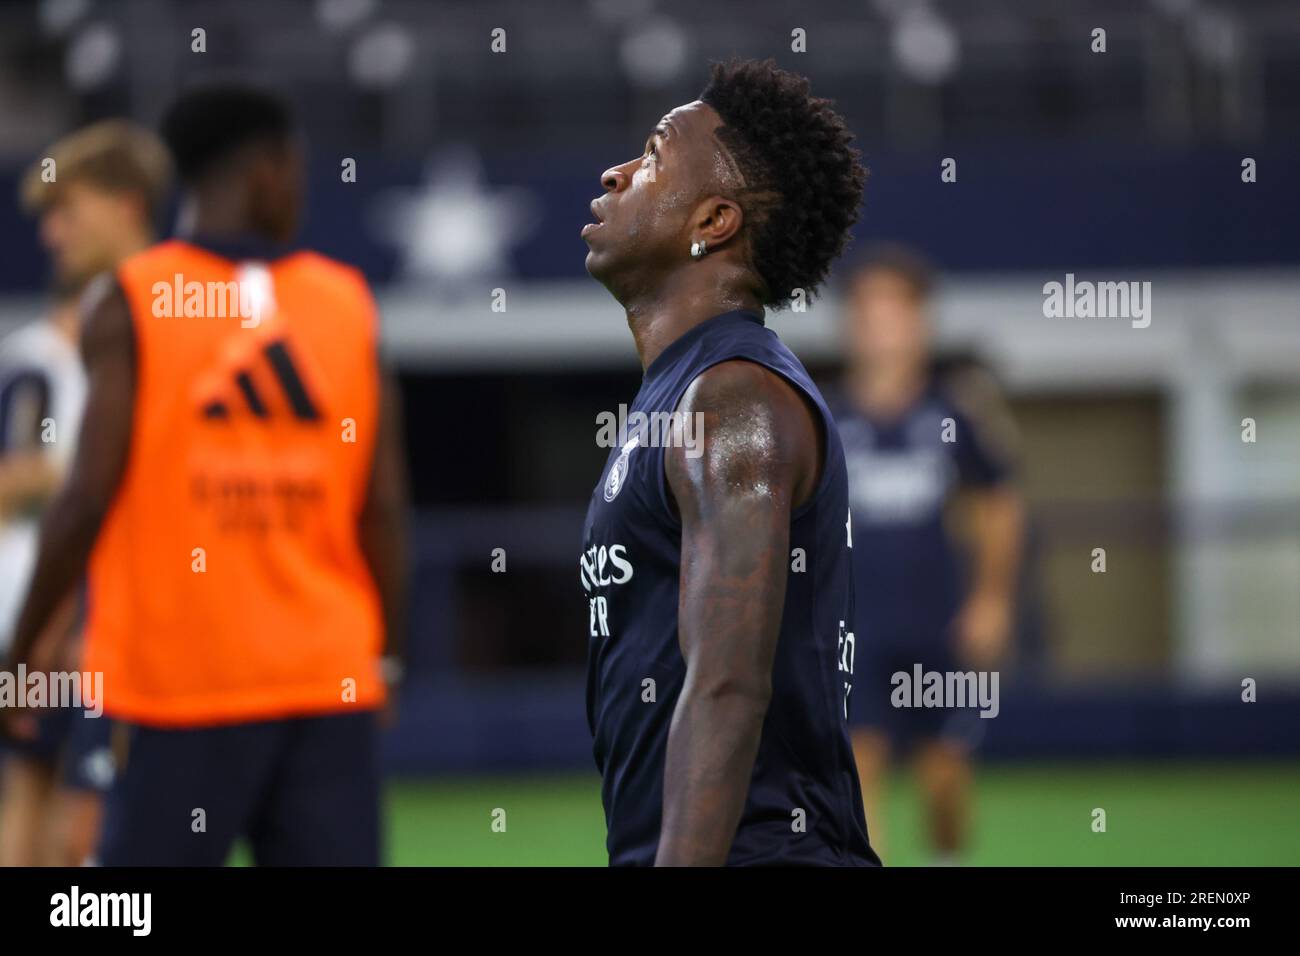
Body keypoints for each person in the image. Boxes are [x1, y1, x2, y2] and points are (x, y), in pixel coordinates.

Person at [1, 84, 409, 866]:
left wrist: (20, 656)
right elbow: (383, 505)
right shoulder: (345, 304)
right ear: (269, 171)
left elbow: (87, 495)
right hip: (323, 678)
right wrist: (384, 653)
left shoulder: (132, 300)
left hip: (174, 684)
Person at [580, 58, 879, 866]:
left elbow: (728, 686)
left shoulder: (735, 401)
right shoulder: (683, 392)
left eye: (651, 153)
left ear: (712, 222)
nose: (617, 171)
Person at [0, 121, 169, 866]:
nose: (52, 233)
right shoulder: (49, 346)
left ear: (125, 202)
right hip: (66, 612)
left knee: (96, 828)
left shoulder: (170, 313)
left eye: (66, 210)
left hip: (138, 618)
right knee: (47, 811)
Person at [834, 244, 1023, 864]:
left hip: (937, 625)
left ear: (921, 322)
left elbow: (998, 503)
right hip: (854, 627)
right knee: (857, 776)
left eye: (895, 311)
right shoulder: (824, 415)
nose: (881, 326)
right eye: (869, 312)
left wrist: (991, 601)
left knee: (944, 786)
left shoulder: (954, 412)